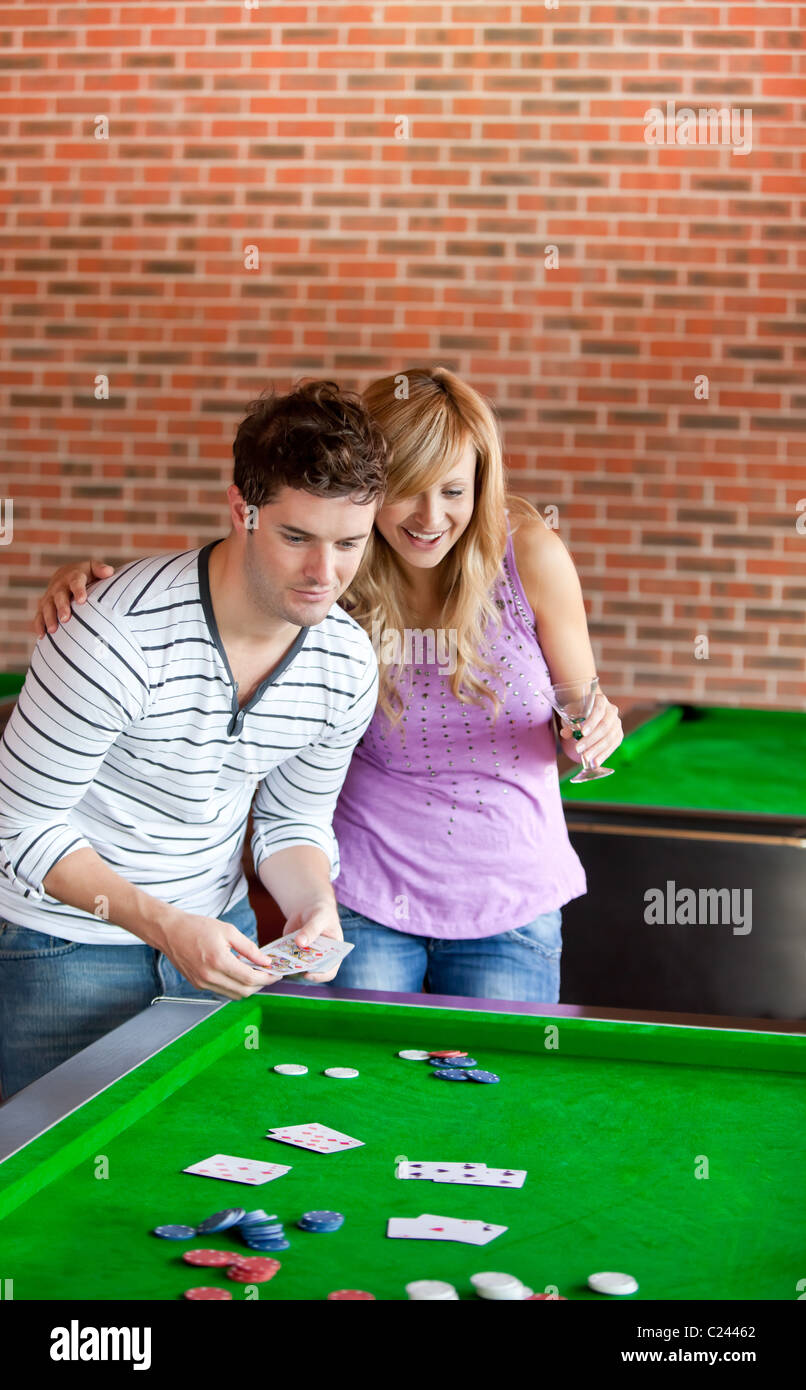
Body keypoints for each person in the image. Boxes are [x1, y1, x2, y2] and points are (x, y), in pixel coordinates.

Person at [32, 366, 623, 1006]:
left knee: (495, 1095)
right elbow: (233, 567)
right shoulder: (333, 572)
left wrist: (589, 730)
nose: (430, 517)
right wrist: (95, 591)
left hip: (510, 892)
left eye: (454, 491)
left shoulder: (518, 556)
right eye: (409, 489)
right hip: (365, 893)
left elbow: (579, 716)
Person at [0, 381, 387, 1099]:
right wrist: (166, 926)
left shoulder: (347, 662)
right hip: (61, 949)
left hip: (221, 939)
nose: (324, 574)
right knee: (44, 1190)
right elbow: (16, 828)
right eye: (297, 537)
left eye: (349, 543)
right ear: (242, 511)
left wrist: (313, 905)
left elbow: (293, 821)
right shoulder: (111, 637)